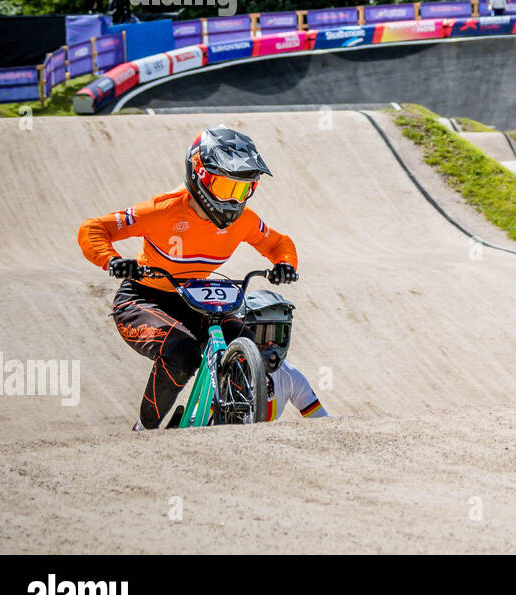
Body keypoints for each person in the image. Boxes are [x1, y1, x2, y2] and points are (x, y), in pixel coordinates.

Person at [77, 126, 299, 430]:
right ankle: (143, 431)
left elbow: (278, 243)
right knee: (182, 352)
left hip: (196, 299)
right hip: (143, 298)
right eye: (225, 188)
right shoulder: (163, 209)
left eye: (242, 189)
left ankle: (227, 421)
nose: (233, 200)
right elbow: (93, 228)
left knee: (246, 343)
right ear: (199, 174)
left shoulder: (245, 221)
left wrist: (285, 263)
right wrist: (113, 261)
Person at [242, 290, 330, 422]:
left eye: (277, 335)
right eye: (261, 335)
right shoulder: (288, 375)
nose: (270, 344)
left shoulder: (290, 375)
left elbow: (323, 422)